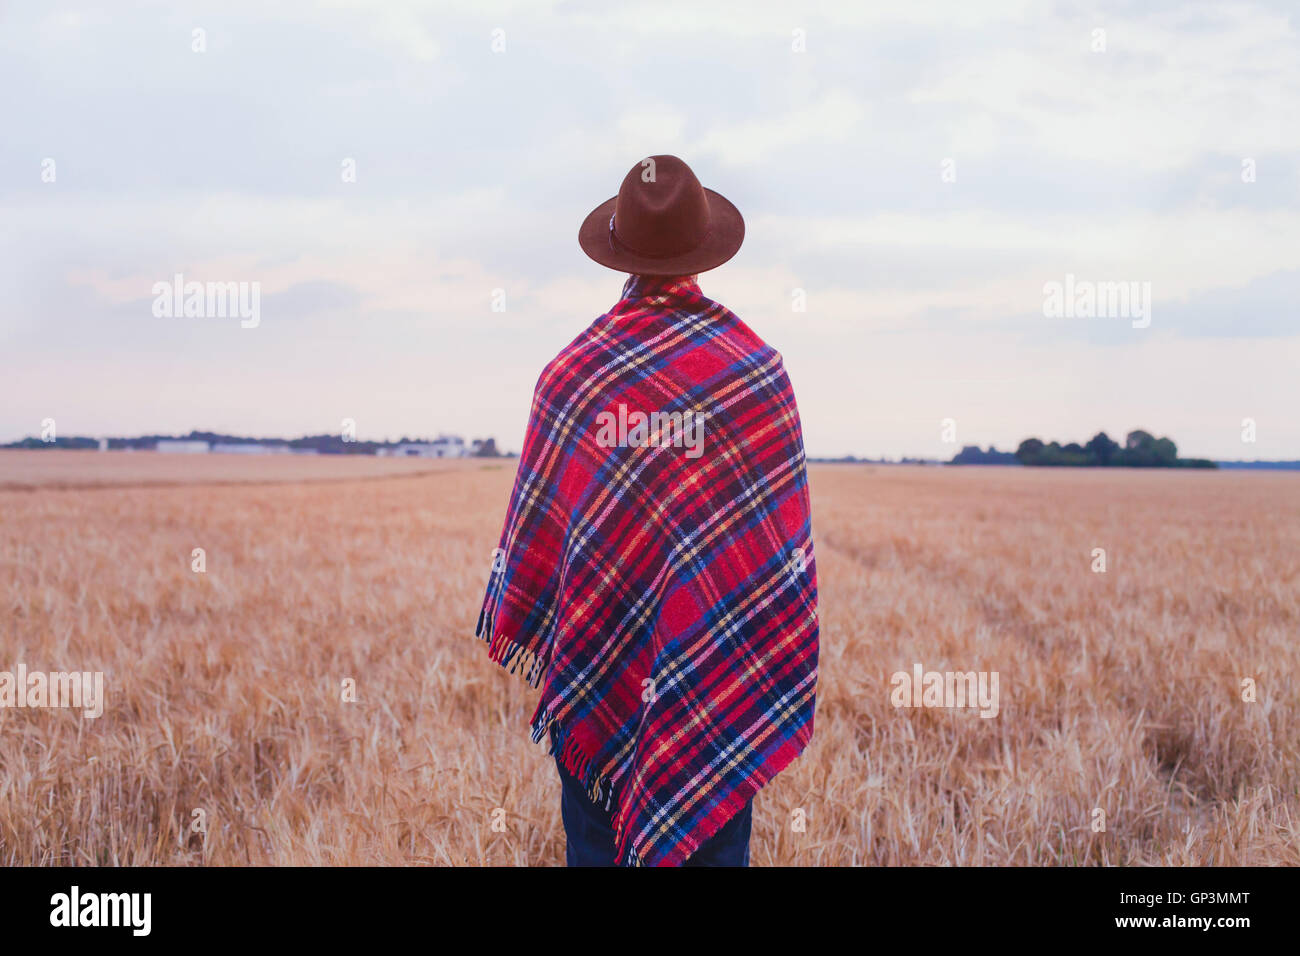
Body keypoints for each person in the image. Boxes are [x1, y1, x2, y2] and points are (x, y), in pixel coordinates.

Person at [476, 155, 819, 867]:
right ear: (706, 249)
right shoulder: (755, 375)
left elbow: (545, 542)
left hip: (599, 687)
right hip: (715, 704)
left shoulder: (572, 377)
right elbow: (773, 559)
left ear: (617, 251)